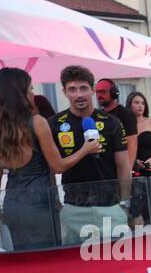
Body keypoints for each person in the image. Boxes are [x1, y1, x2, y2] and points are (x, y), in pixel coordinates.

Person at [0, 66, 102, 251]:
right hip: (40, 203)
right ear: (20, 92)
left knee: (24, 261)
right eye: (30, 89)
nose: (33, 93)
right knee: (48, 260)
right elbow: (58, 166)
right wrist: (85, 149)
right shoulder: (37, 122)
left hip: (12, 203)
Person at [47, 64, 131, 243]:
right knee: (75, 268)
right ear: (64, 92)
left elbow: (123, 164)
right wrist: (56, 202)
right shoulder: (54, 124)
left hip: (110, 207)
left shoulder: (112, 122)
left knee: (117, 264)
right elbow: (50, 168)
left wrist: (124, 202)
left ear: (92, 90)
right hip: (73, 207)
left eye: (84, 88)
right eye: (72, 89)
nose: (79, 94)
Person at [126, 91, 151, 225]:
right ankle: (141, 236)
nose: (140, 106)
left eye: (143, 103)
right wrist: (134, 161)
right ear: (130, 105)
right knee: (137, 207)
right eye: (136, 103)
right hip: (134, 170)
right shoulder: (124, 124)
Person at [94, 77, 137, 173]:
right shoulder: (98, 115)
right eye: (97, 92)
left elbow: (132, 143)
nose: (99, 96)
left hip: (122, 169)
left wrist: (127, 171)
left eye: (103, 92)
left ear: (114, 93)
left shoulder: (125, 114)